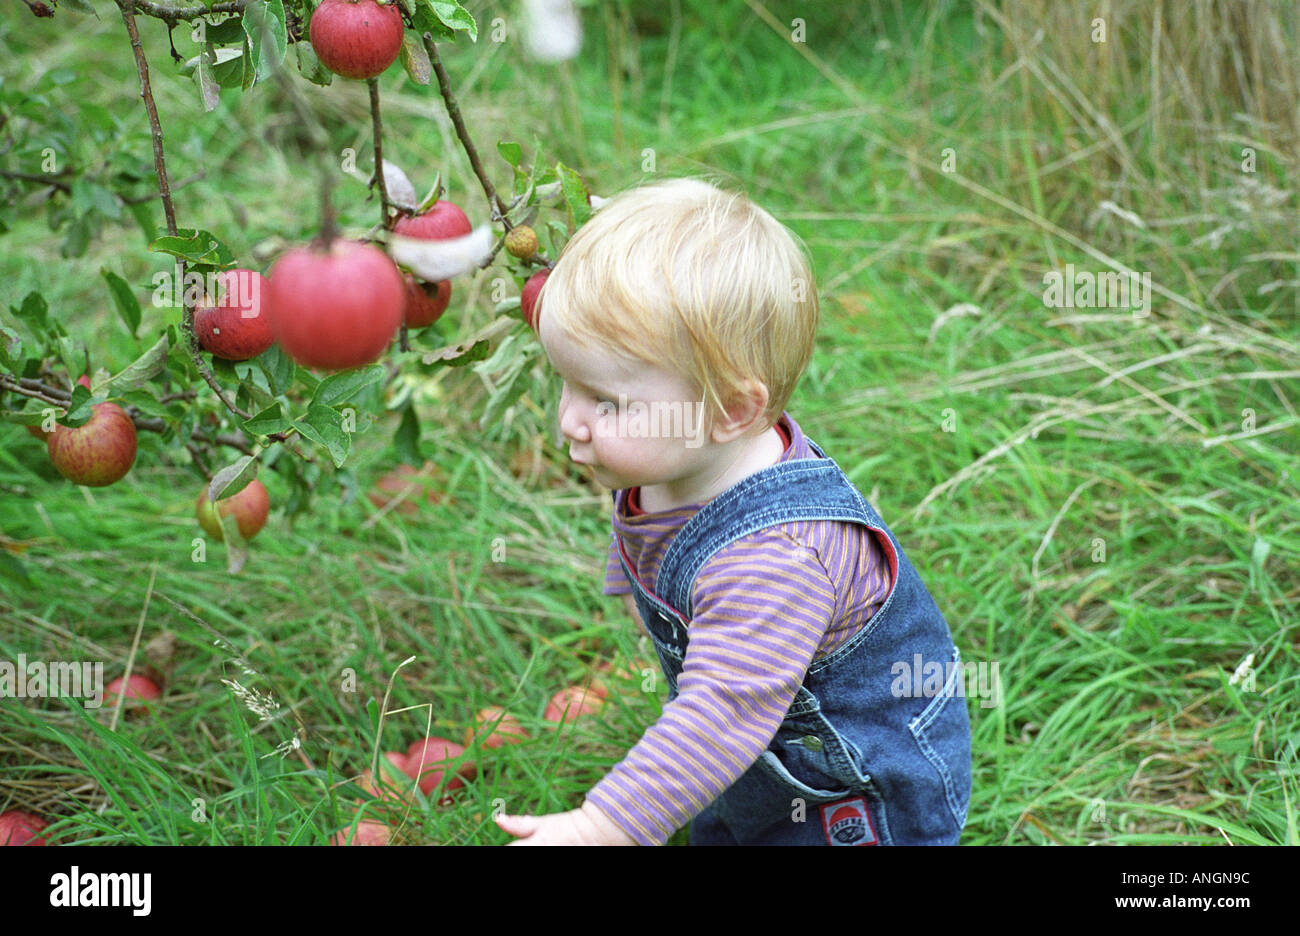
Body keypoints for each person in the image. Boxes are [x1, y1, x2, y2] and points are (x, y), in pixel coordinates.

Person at [495, 177, 971, 845]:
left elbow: (722, 712)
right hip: (772, 763)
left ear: (732, 410)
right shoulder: (668, 458)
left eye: (603, 399)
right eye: (565, 383)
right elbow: (646, 531)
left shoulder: (775, 559)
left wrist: (605, 826)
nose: (570, 420)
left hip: (852, 795)